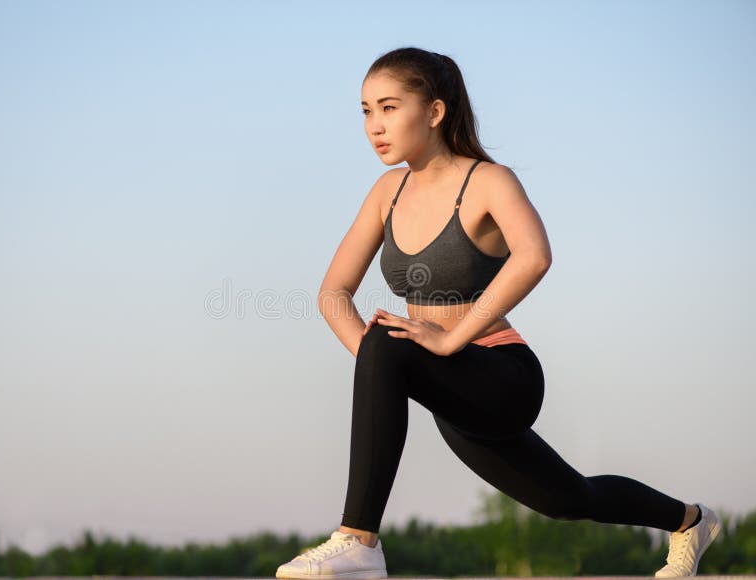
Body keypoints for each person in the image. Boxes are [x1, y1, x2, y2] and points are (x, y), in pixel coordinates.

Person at [276, 47, 719, 579]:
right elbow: (333, 293)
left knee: (387, 343)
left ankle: (359, 541)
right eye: (366, 110)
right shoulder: (386, 192)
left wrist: (445, 341)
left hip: (502, 377)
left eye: (389, 107)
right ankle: (689, 521)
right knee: (567, 497)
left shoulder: (488, 181)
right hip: (451, 386)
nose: (375, 125)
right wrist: (385, 366)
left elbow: (535, 256)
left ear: (435, 112)